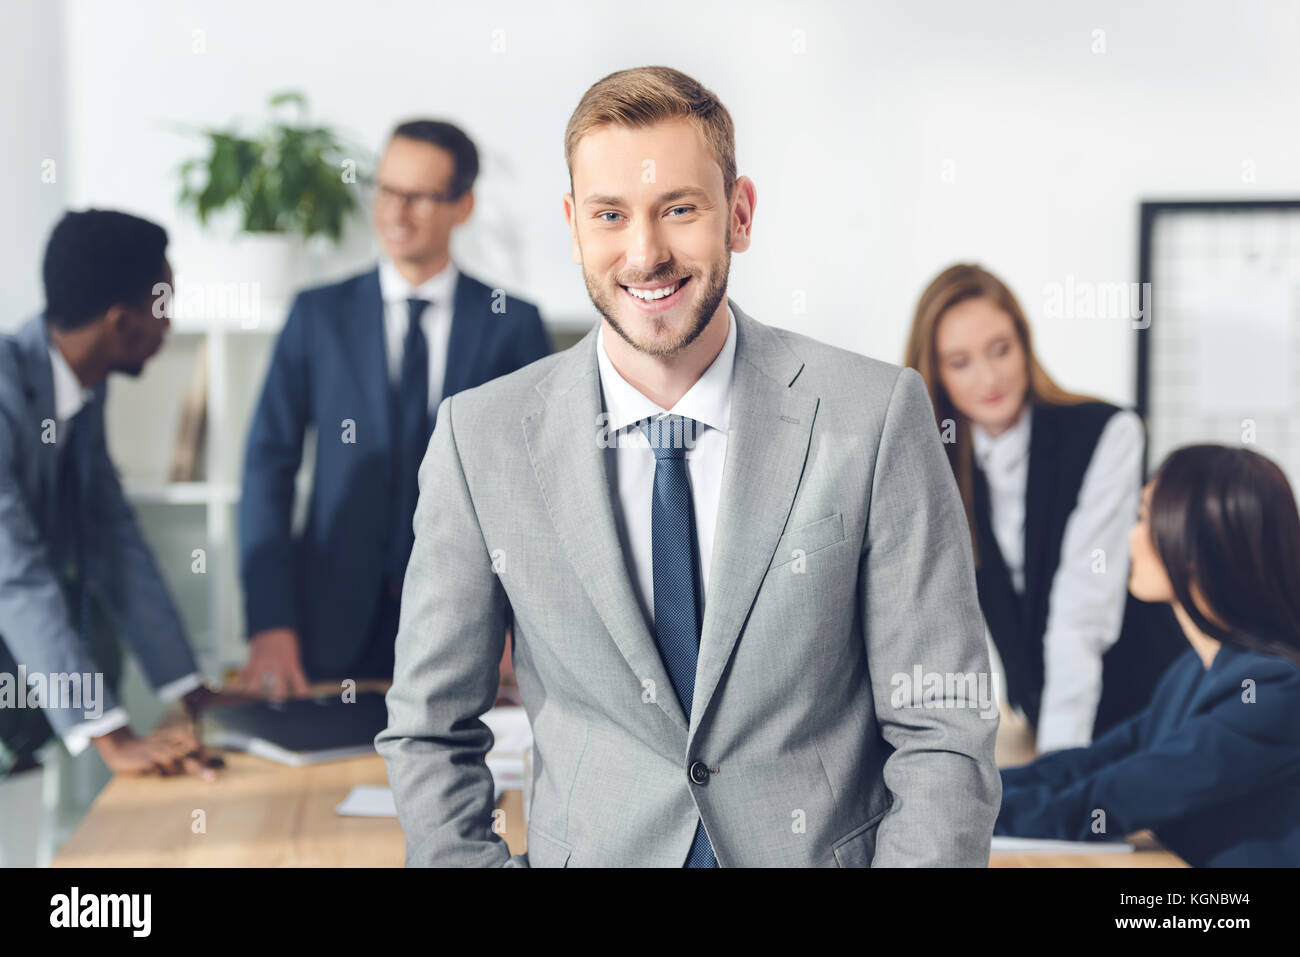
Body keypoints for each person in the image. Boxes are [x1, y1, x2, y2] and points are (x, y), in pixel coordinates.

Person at [377, 66, 1000, 867]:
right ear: (574, 227)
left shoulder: (873, 415)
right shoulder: (481, 438)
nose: (646, 253)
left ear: (738, 214)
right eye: (610, 214)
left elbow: (943, 723)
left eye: (679, 208)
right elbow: (430, 726)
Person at [237, 119, 552, 695]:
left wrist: (520, 624)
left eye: (420, 196)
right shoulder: (317, 316)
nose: (395, 212)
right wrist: (269, 621)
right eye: (386, 189)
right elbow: (267, 469)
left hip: (468, 622)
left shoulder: (512, 323)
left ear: (463, 206)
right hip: (326, 627)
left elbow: (534, 489)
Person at [904, 264, 1185, 753]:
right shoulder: (934, 460)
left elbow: (1083, 611)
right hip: (1041, 722)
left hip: (1144, 711)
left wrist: (1057, 767)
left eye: (1000, 350)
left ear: (1025, 343)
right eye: (960, 361)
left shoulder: (1107, 433)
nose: (989, 377)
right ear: (936, 372)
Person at [996, 444, 1300, 867]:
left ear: (1190, 546)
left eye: (1142, 517)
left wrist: (959, 810)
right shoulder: (1193, 670)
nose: (1129, 536)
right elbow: (1088, 766)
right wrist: (963, 785)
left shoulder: (1274, 693)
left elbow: (1105, 801)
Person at [0, 209, 225, 778]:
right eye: (163, 306)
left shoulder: (84, 390)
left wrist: (189, 687)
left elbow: (114, 536)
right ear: (121, 321)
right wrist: (110, 734)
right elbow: (14, 572)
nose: (168, 325)